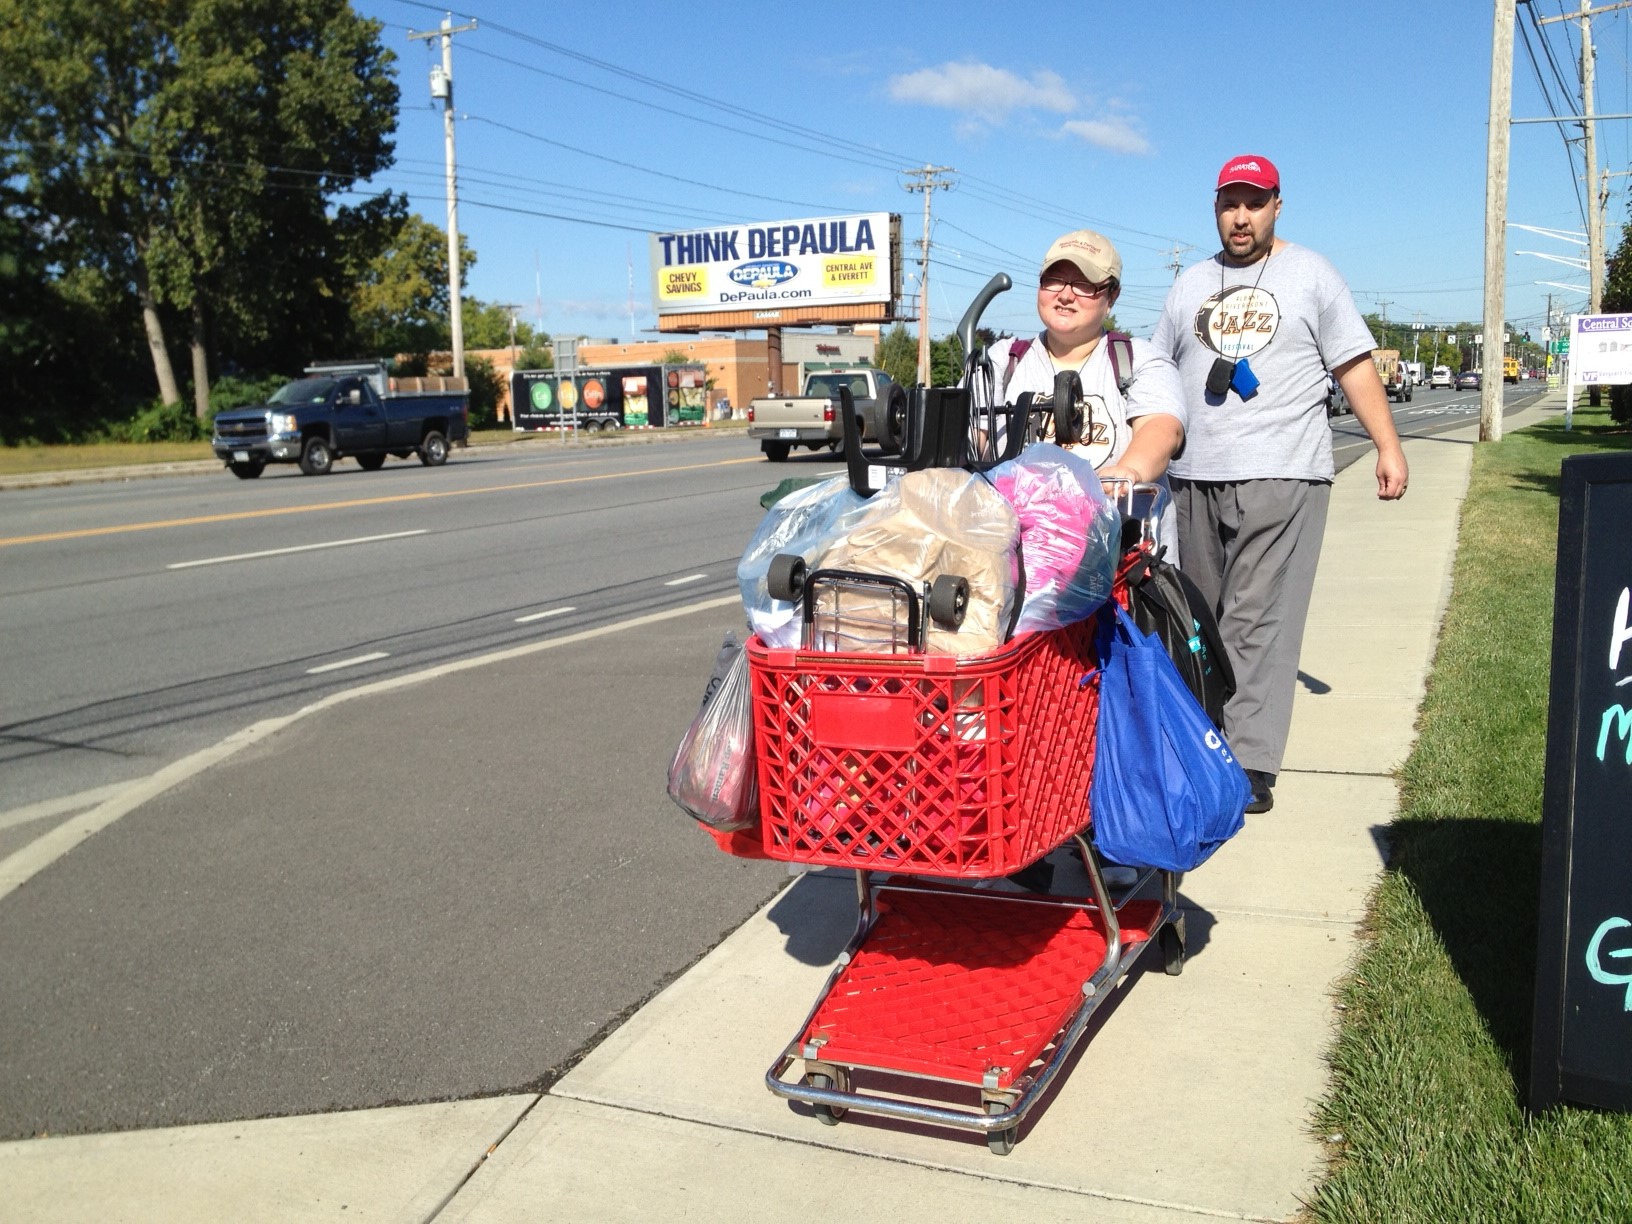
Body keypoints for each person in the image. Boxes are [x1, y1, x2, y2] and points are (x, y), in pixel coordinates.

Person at [1153, 154, 1408, 814]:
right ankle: (1203, 746)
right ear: (1216, 209)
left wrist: (1388, 445)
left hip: (1284, 469)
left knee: (1257, 619)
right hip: (1195, 475)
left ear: (1276, 206)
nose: (1241, 216)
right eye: (1229, 204)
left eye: (1254, 202)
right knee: (1199, 624)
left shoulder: (1312, 275)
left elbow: (1353, 363)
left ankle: (1249, 760)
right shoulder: (1190, 284)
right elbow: (1157, 370)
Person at [975, 228, 1187, 547]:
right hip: (1018, 561)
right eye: (1054, 279)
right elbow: (968, 440)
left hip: (1120, 564)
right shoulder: (1001, 362)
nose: (1065, 295)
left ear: (1111, 295)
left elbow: (1162, 428)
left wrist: (1128, 472)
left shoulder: (1140, 359)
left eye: (1084, 284)